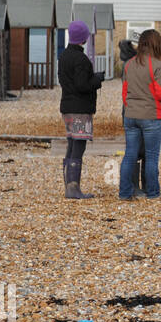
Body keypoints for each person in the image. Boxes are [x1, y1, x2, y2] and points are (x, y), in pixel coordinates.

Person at [119, 28, 161, 200]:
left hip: (130, 115)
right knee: (151, 156)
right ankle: (152, 193)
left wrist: (131, 107)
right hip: (150, 116)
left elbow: (125, 93)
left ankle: (125, 192)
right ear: (157, 44)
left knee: (130, 154)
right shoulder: (157, 65)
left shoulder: (129, 64)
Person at [58, 20, 103, 199]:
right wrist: (97, 79)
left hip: (67, 108)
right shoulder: (81, 59)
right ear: (84, 39)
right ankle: (73, 187)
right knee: (79, 146)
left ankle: (69, 185)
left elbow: (67, 82)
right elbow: (83, 85)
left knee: (71, 144)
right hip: (80, 109)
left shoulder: (63, 56)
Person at [118, 35, 147, 195]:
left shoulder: (128, 64)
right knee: (136, 149)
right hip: (137, 110)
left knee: (136, 148)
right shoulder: (132, 65)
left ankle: (137, 186)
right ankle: (135, 186)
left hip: (131, 109)